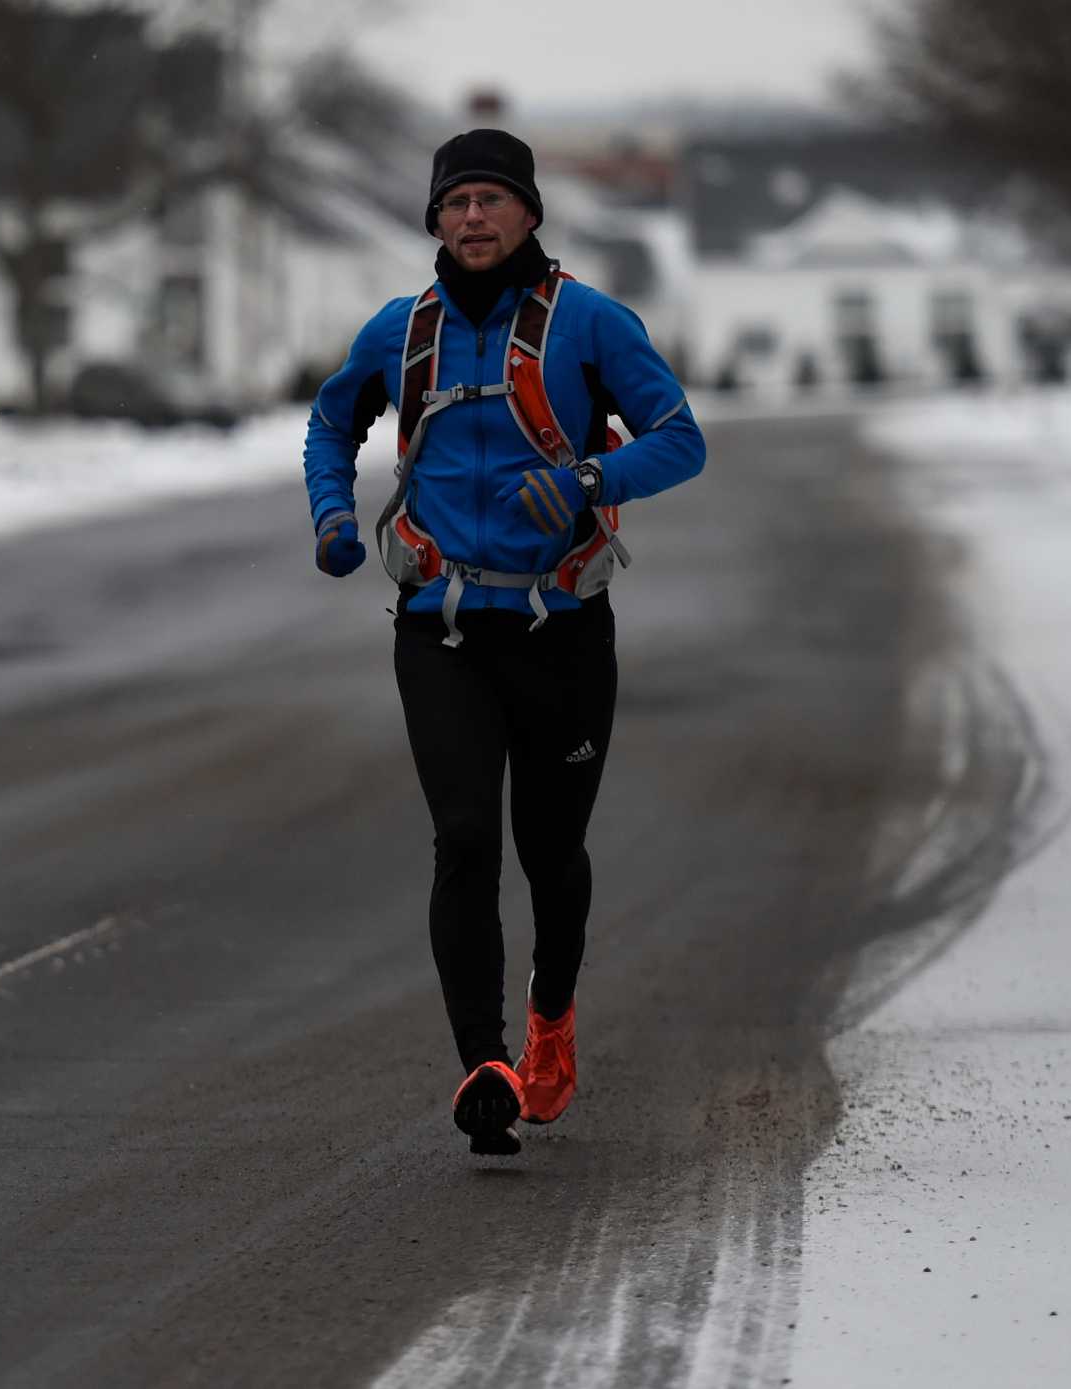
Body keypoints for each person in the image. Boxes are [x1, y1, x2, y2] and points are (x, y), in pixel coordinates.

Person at [302, 129, 706, 1155]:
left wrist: (587, 480)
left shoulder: (590, 325)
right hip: (439, 632)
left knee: (549, 852)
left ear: (528, 214)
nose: (471, 218)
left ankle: (549, 1027)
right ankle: (482, 1062)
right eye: (454, 203)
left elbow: (678, 438)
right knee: (464, 840)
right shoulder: (401, 332)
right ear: (433, 220)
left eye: (491, 200)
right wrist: (332, 517)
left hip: (562, 635)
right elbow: (329, 420)